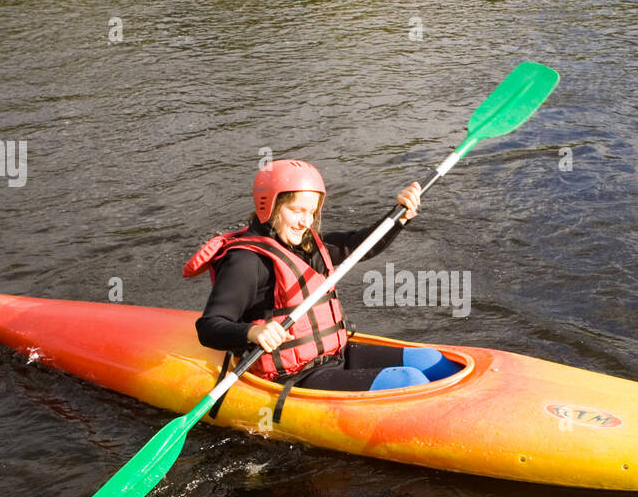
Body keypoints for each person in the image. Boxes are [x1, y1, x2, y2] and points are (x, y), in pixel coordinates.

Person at [185, 159, 461, 409]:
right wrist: (252, 333)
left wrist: (398, 218)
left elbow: (362, 245)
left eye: (311, 212)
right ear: (269, 206)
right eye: (296, 211)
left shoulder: (308, 244)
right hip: (296, 376)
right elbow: (209, 328)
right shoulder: (246, 261)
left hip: (335, 355)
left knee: (429, 360)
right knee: (408, 378)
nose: (305, 221)